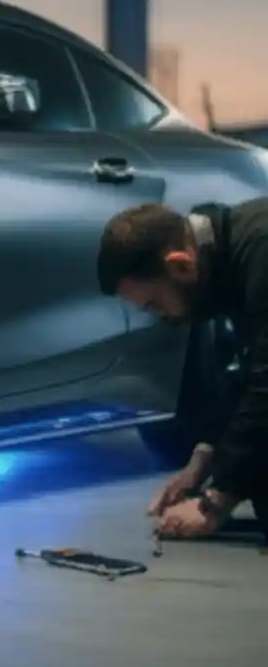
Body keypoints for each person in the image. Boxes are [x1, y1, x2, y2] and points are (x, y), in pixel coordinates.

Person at [97, 199, 268, 540]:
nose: (164, 317)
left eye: (155, 304)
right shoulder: (232, 249)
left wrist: (214, 502)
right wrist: (204, 461)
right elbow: (251, 371)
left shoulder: (262, 252)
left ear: (182, 265)